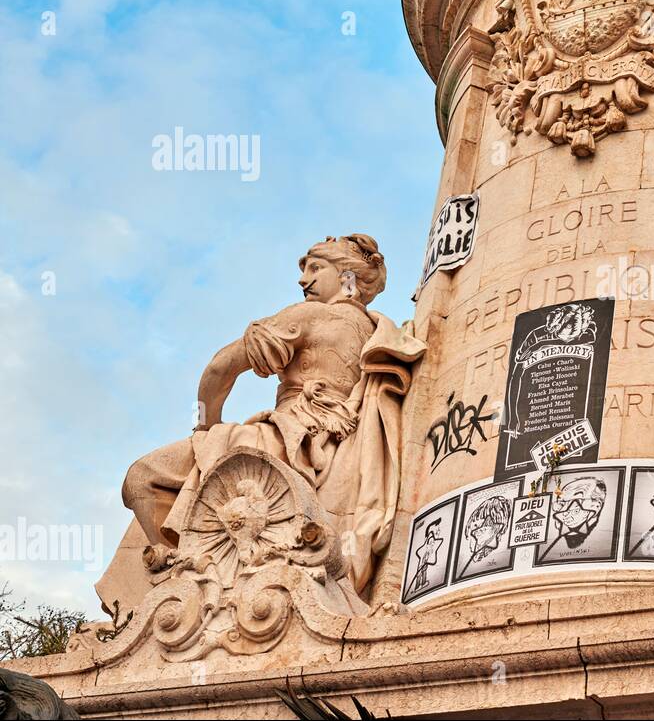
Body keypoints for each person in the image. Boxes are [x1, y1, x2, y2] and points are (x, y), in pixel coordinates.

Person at [98, 234, 425, 610]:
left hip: (286, 436)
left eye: (316, 268)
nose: (304, 281)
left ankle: (183, 576)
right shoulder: (381, 332)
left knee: (142, 478)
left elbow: (220, 368)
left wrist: (207, 428)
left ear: (348, 277)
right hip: (346, 448)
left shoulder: (309, 315)